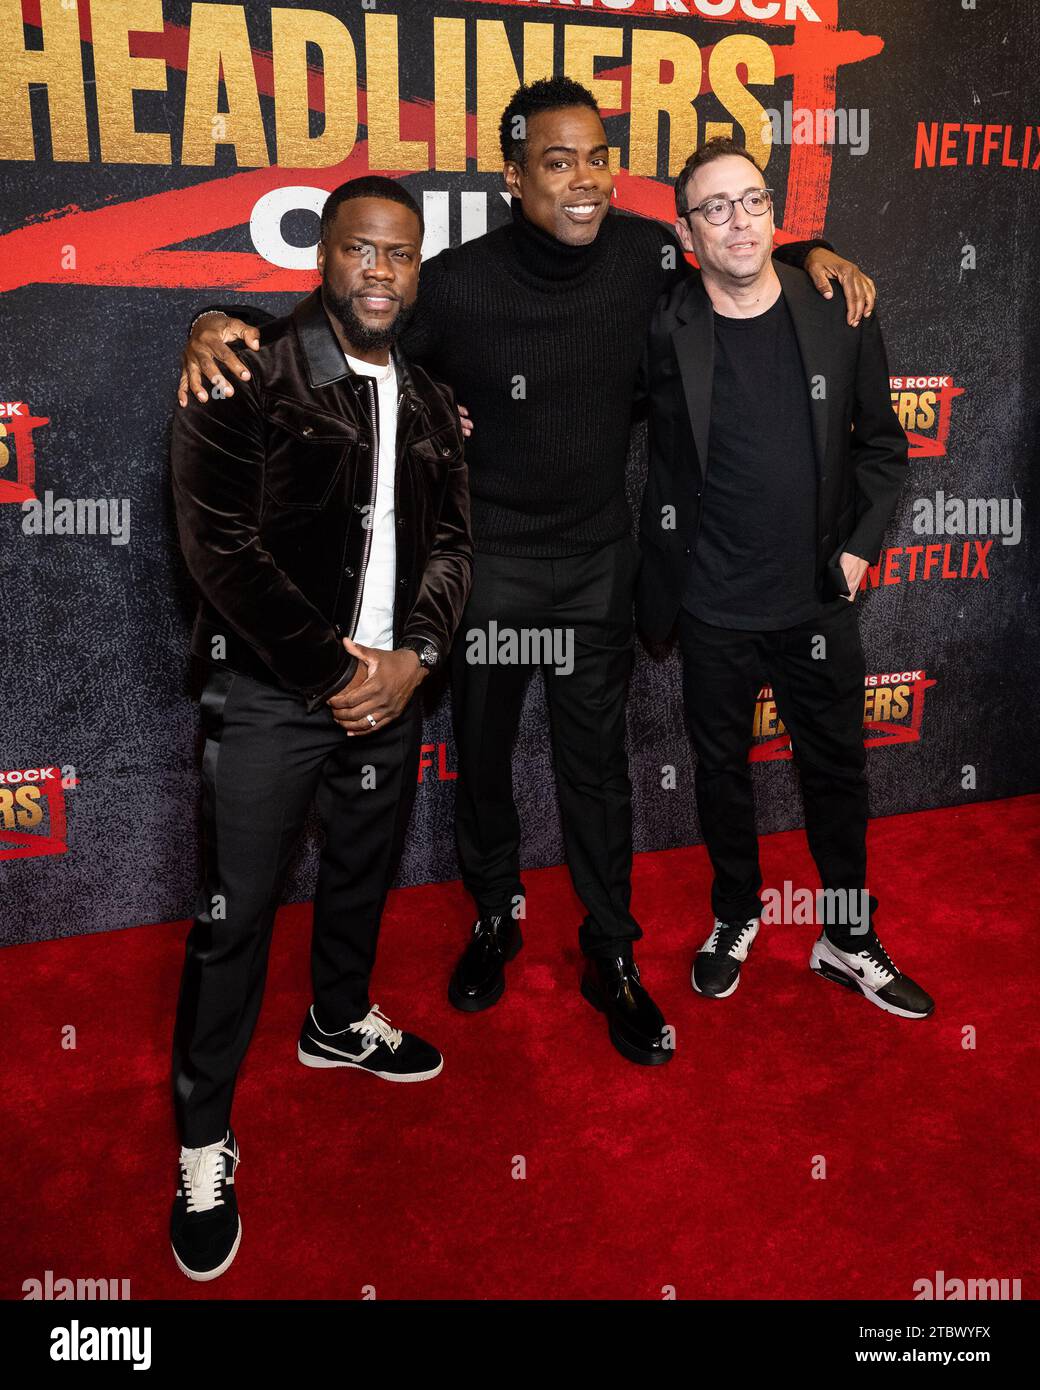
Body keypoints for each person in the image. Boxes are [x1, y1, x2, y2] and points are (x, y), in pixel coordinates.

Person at [176, 78, 876, 1066]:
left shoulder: (641, 254)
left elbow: (735, 256)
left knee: (598, 773)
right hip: (486, 565)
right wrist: (215, 318)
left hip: (596, 562)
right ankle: (495, 914)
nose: (584, 179)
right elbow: (341, 332)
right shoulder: (455, 283)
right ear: (514, 178)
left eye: (596, 157)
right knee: (485, 760)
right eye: (557, 162)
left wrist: (811, 253)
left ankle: (610, 954)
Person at [169, 175, 472, 1281]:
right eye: (360, 250)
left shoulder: (435, 404)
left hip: (391, 693)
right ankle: (203, 1137)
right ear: (323, 258)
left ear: (417, 270)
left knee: (360, 873)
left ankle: (337, 1021)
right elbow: (214, 546)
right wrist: (329, 671)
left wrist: (413, 663)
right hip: (269, 695)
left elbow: (453, 551)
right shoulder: (243, 369)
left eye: (400, 254)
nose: (380, 271)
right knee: (232, 919)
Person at [637, 137, 933, 1020]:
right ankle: (736, 915)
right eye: (716, 207)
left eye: (754, 200)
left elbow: (883, 445)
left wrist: (858, 547)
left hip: (816, 596)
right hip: (711, 603)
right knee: (719, 770)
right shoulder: (665, 323)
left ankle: (845, 935)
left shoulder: (836, 308)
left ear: (775, 211)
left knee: (837, 769)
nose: (739, 220)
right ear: (688, 235)